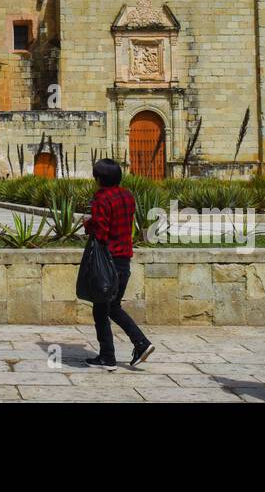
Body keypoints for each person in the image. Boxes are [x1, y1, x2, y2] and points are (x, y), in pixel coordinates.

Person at [82, 158, 155, 370]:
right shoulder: (127, 196)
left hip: (107, 263)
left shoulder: (102, 198)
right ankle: (132, 347)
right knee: (112, 307)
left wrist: (88, 224)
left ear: (99, 179)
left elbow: (102, 232)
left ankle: (117, 353)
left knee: (101, 309)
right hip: (124, 261)